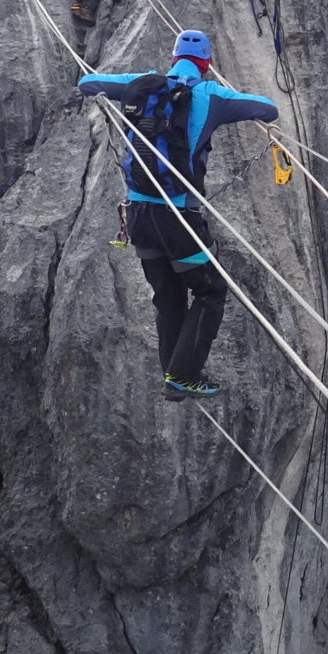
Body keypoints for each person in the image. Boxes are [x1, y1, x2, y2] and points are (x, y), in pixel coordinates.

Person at [77, 29, 280, 401]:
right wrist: (217, 94)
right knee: (210, 291)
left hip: (138, 215)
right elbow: (267, 109)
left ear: (173, 59)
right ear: (208, 63)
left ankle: (173, 372)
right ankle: (182, 376)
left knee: (167, 297)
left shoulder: (141, 85)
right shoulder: (211, 95)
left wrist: (137, 84)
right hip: (178, 218)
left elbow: (88, 81)